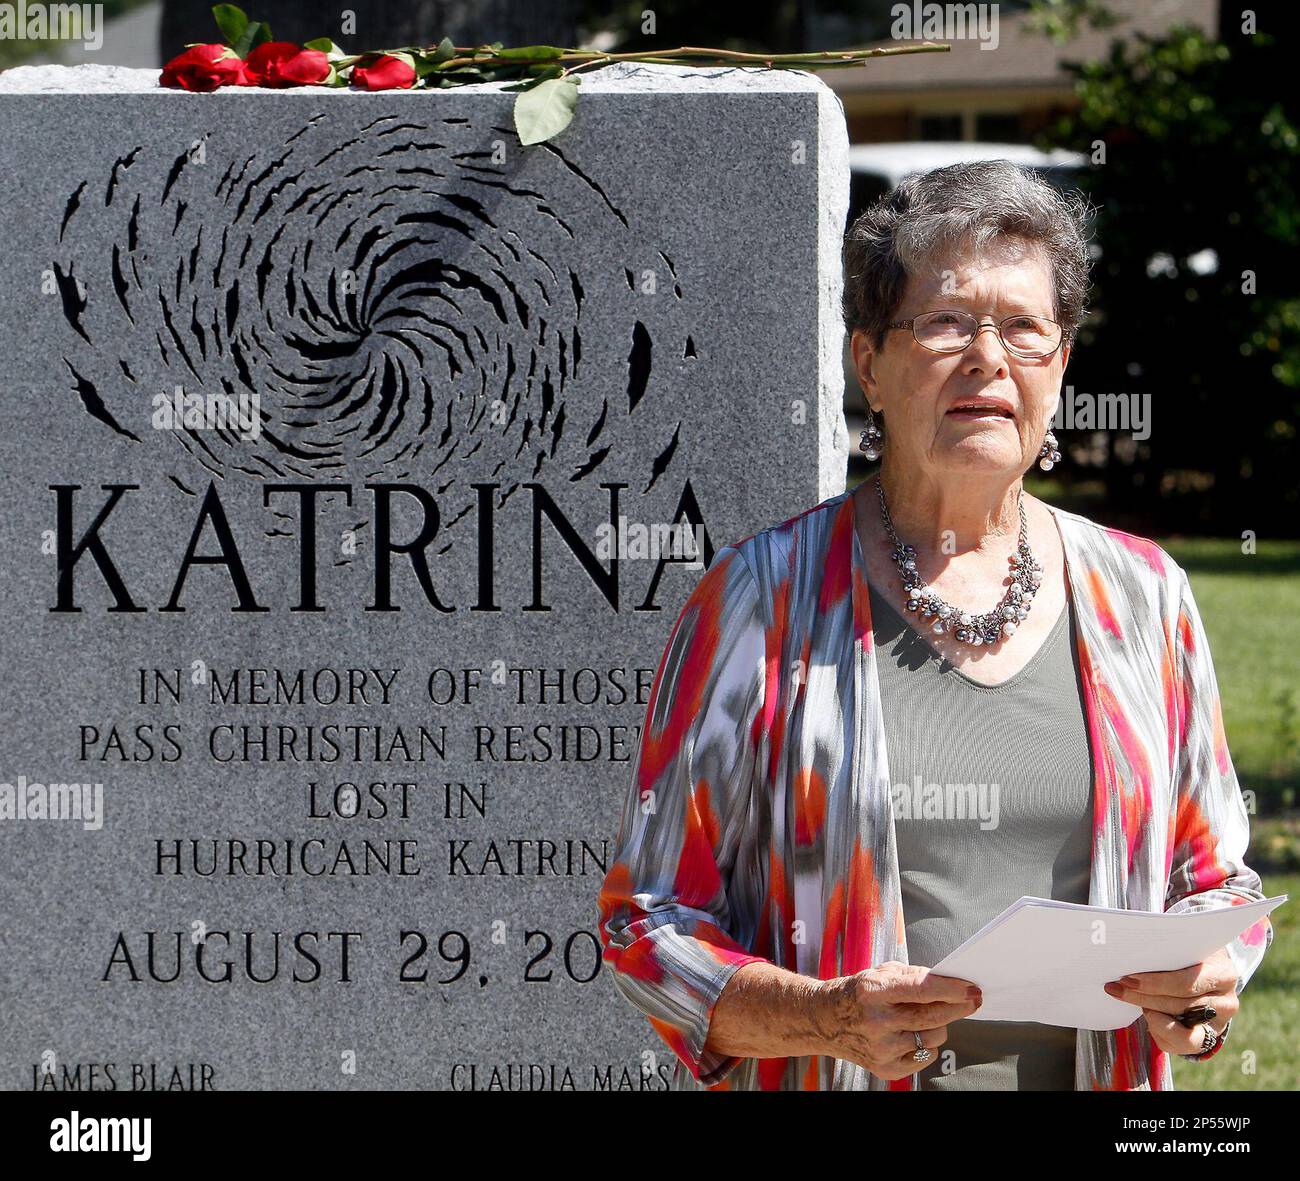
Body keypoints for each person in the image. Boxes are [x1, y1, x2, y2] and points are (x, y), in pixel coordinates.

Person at [596, 159, 1273, 1091]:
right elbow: (647, 920)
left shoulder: (1144, 592)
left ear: (1061, 367)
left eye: (1026, 329)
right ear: (869, 364)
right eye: (948, 321)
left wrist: (1205, 987)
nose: (988, 358)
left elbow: (1219, 885)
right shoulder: (759, 596)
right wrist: (827, 1017)